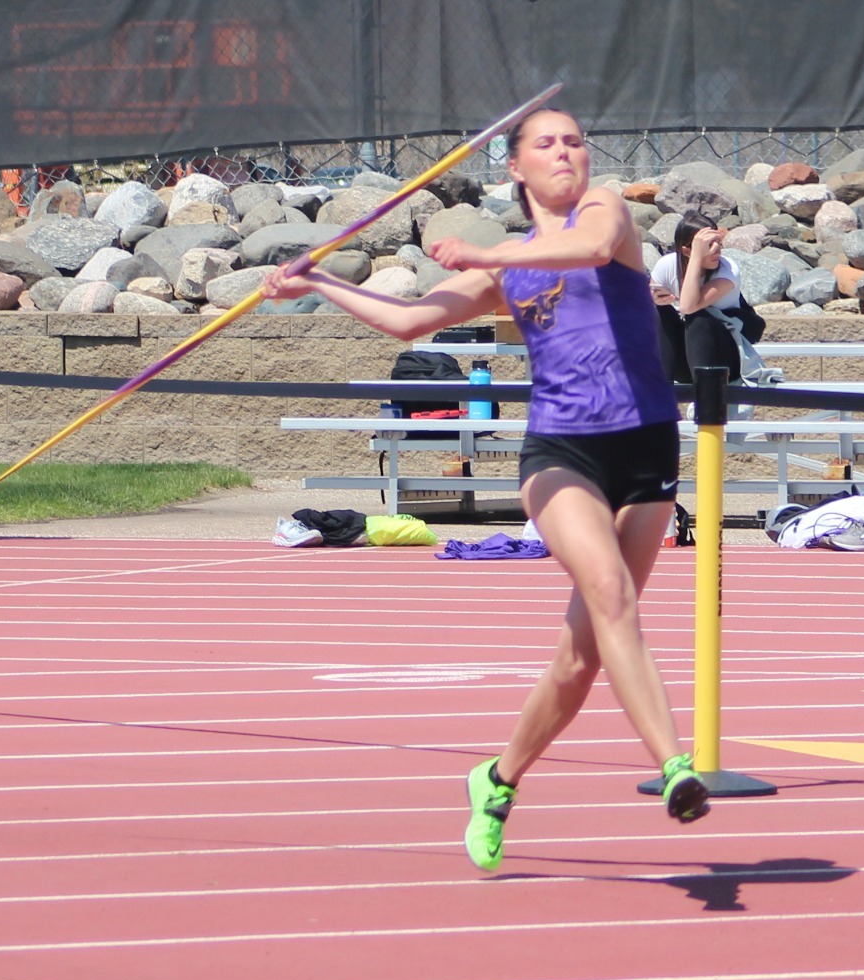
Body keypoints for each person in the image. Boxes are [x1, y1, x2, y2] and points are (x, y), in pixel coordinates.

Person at [261, 107, 710, 873]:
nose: (565, 152)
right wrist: (318, 282)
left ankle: (497, 781)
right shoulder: (508, 264)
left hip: (646, 447)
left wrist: (482, 251)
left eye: (574, 140)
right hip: (562, 452)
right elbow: (409, 321)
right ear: (516, 167)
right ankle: (676, 767)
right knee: (609, 591)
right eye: (547, 143)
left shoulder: (605, 214)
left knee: (581, 657)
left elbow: (593, 248)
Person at [649, 213, 763, 384]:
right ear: (685, 251)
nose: (716, 250)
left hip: (723, 361)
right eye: (708, 245)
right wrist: (655, 298)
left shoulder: (728, 269)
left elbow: (688, 307)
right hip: (683, 361)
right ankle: (659, 394)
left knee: (698, 318)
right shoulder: (666, 265)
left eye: (718, 243)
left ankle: (704, 404)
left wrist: (695, 256)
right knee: (659, 313)